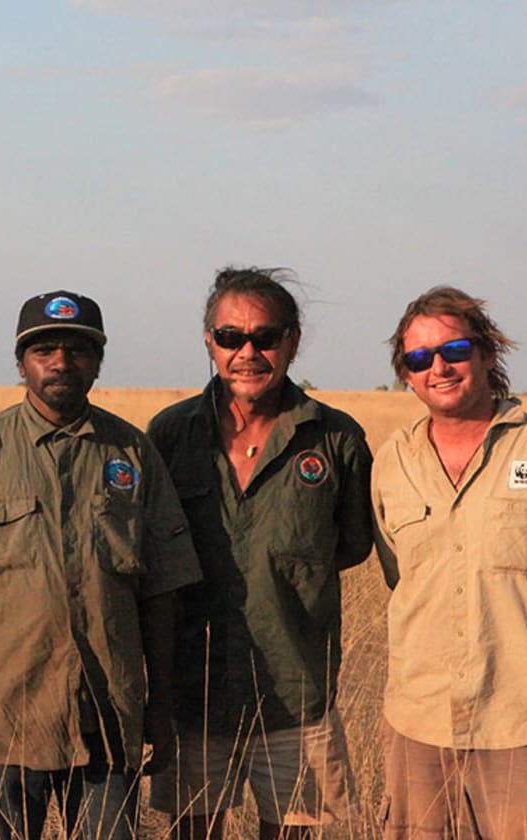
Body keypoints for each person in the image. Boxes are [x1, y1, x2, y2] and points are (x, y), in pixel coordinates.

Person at [0, 290, 201, 840]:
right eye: (45, 350)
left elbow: (161, 590)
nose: (62, 363)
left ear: (97, 362)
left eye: (78, 350)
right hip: (5, 720)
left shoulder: (133, 455)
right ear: (20, 363)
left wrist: (159, 707)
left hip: (106, 721)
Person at [146, 267, 374, 839]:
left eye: (265, 337)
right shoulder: (170, 436)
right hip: (195, 692)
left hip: (296, 696)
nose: (248, 352)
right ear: (209, 341)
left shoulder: (335, 439)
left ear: (292, 341)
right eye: (230, 337)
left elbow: (348, 547)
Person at [373, 286, 527, 839]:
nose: (439, 368)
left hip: (525, 723)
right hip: (417, 726)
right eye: (420, 358)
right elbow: (401, 579)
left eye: (453, 350)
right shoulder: (391, 464)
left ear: (486, 353)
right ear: (406, 373)